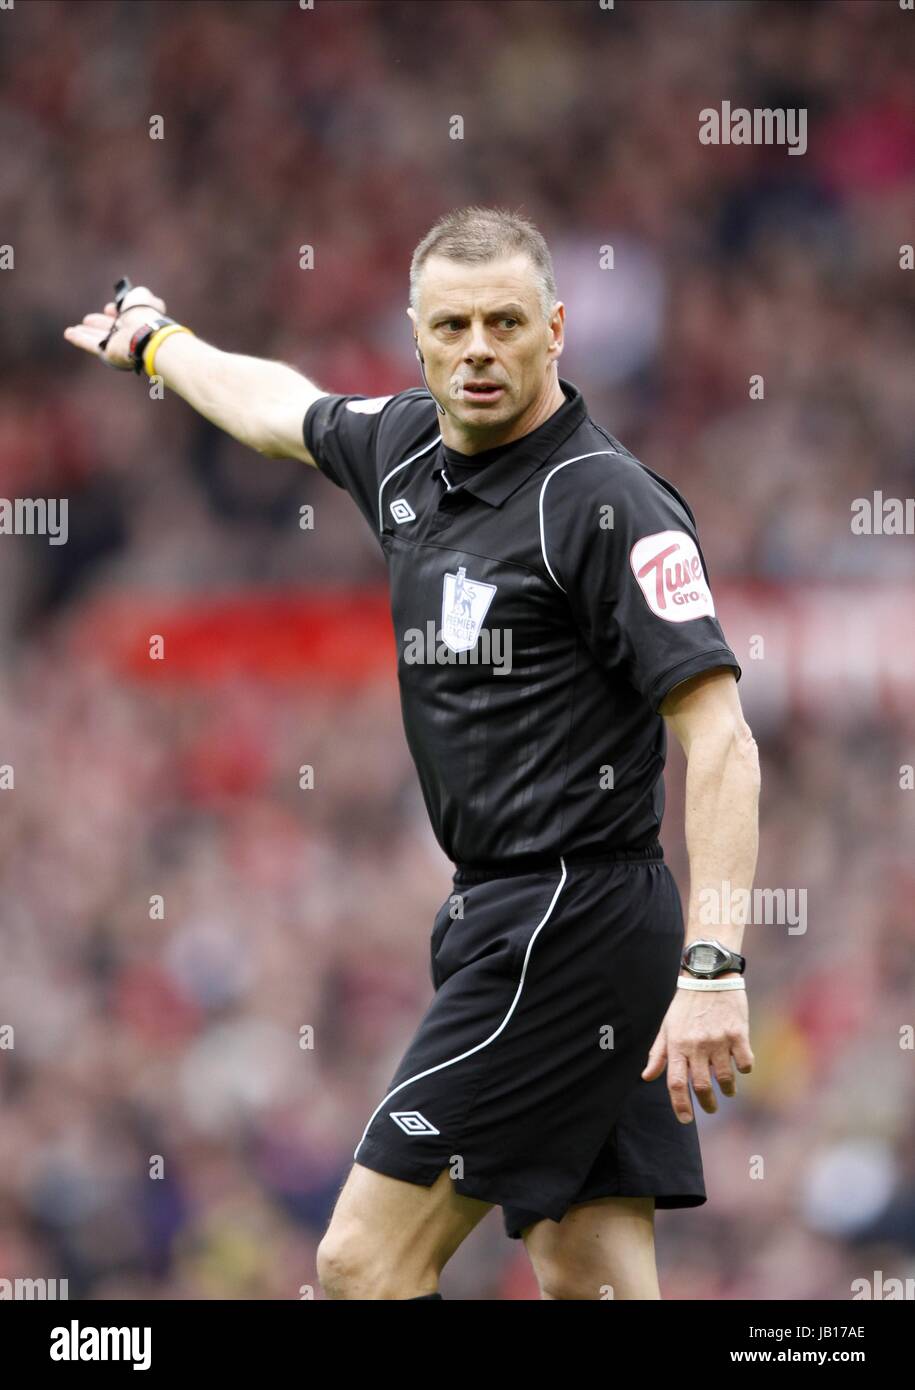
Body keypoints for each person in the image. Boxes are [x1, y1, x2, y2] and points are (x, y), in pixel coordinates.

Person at [64, 205, 760, 1301]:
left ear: (557, 328)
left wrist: (716, 964)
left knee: (359, 1260)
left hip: (568, 919)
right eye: (451, 327)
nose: (477, 349)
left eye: (504, 322)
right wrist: (159, 341)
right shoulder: (403, 451)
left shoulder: (606, 502)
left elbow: (719, 739)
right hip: (510, 912)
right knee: (595, 1273)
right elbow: (276, 412)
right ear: (417, 333)